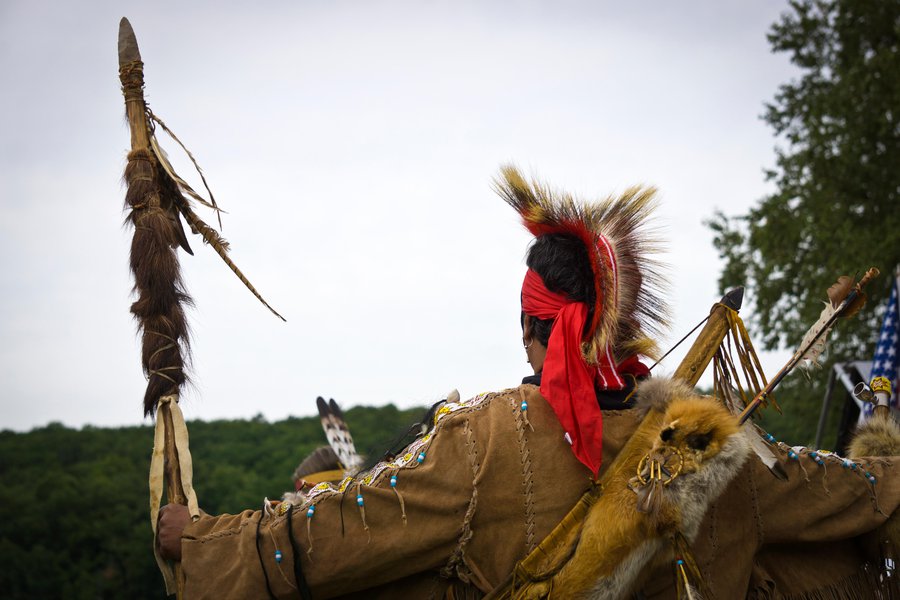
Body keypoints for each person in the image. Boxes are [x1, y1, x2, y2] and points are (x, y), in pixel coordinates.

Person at [158, 166, 900, 598]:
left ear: (536, 328)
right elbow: (859, 494)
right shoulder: (728, 455)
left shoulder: (486, 443)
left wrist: (203, 541)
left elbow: (338, 531)